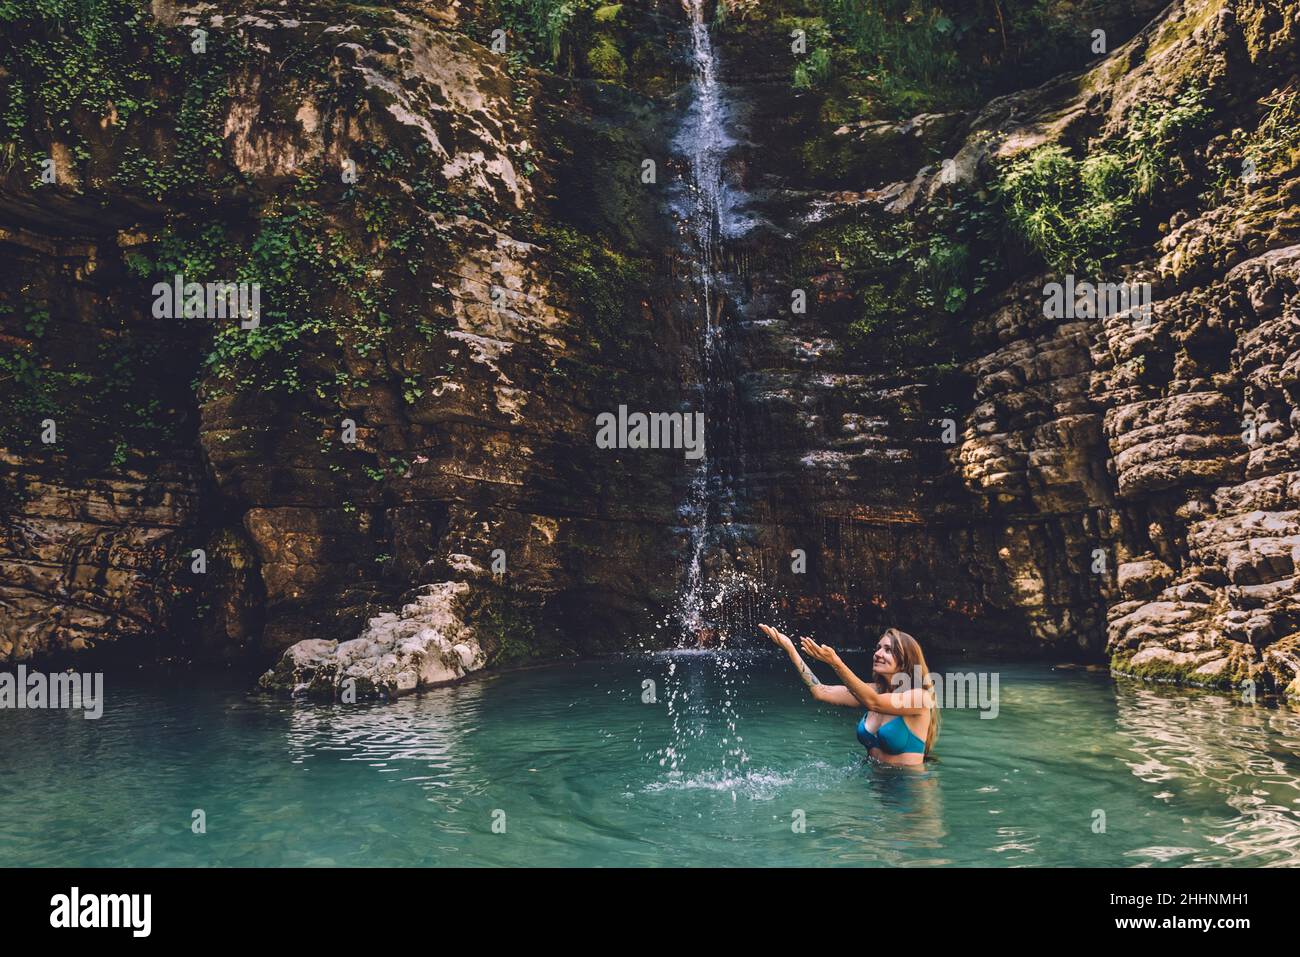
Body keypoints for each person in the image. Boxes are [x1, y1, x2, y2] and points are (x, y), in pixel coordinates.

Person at [759, 623, 937, 766]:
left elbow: (873, 703)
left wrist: (836, 663)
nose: (878, 654)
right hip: (874, 790)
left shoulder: (920, 697)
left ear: (906, 661)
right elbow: (820, 691)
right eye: (878, 648)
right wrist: (791, 650)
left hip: (911, 794)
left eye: (888, 650)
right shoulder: (874, 691)